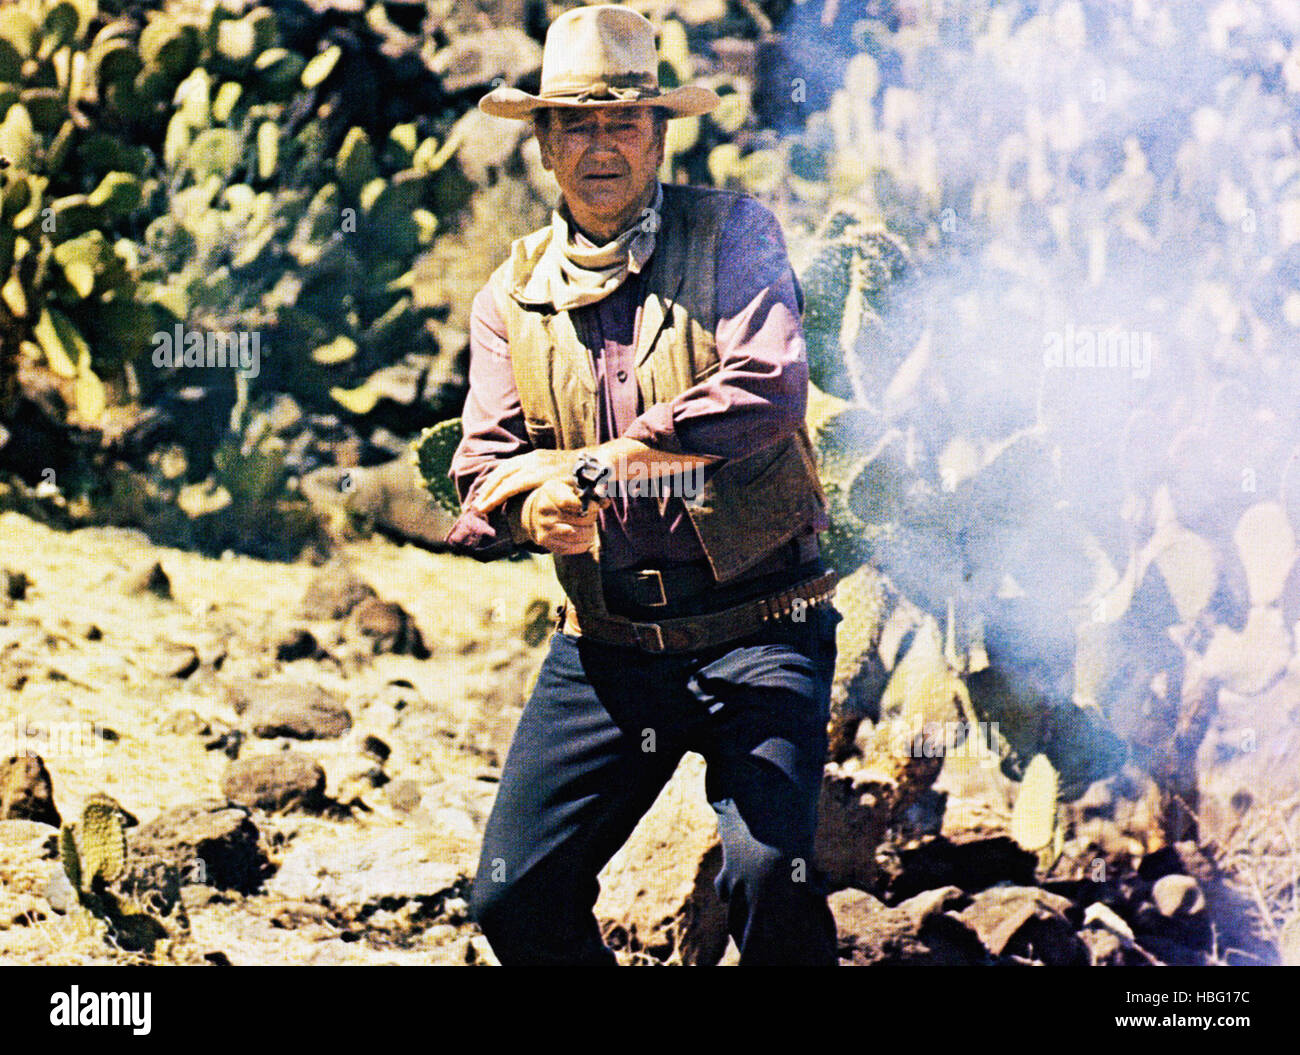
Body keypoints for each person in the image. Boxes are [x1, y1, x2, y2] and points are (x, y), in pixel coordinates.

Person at [445, 3, 843, 965]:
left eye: (622, 121)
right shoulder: (509, 297)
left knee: (766, 877)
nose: (600, 146)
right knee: (512, 895)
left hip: (761, 630)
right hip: (609, 647)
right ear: (542, 144)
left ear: (660, 133)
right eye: (574, 124)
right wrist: (529, 507)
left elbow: (766, 389)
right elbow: (479, 465)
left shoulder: (735, 235)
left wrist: (598, 465)